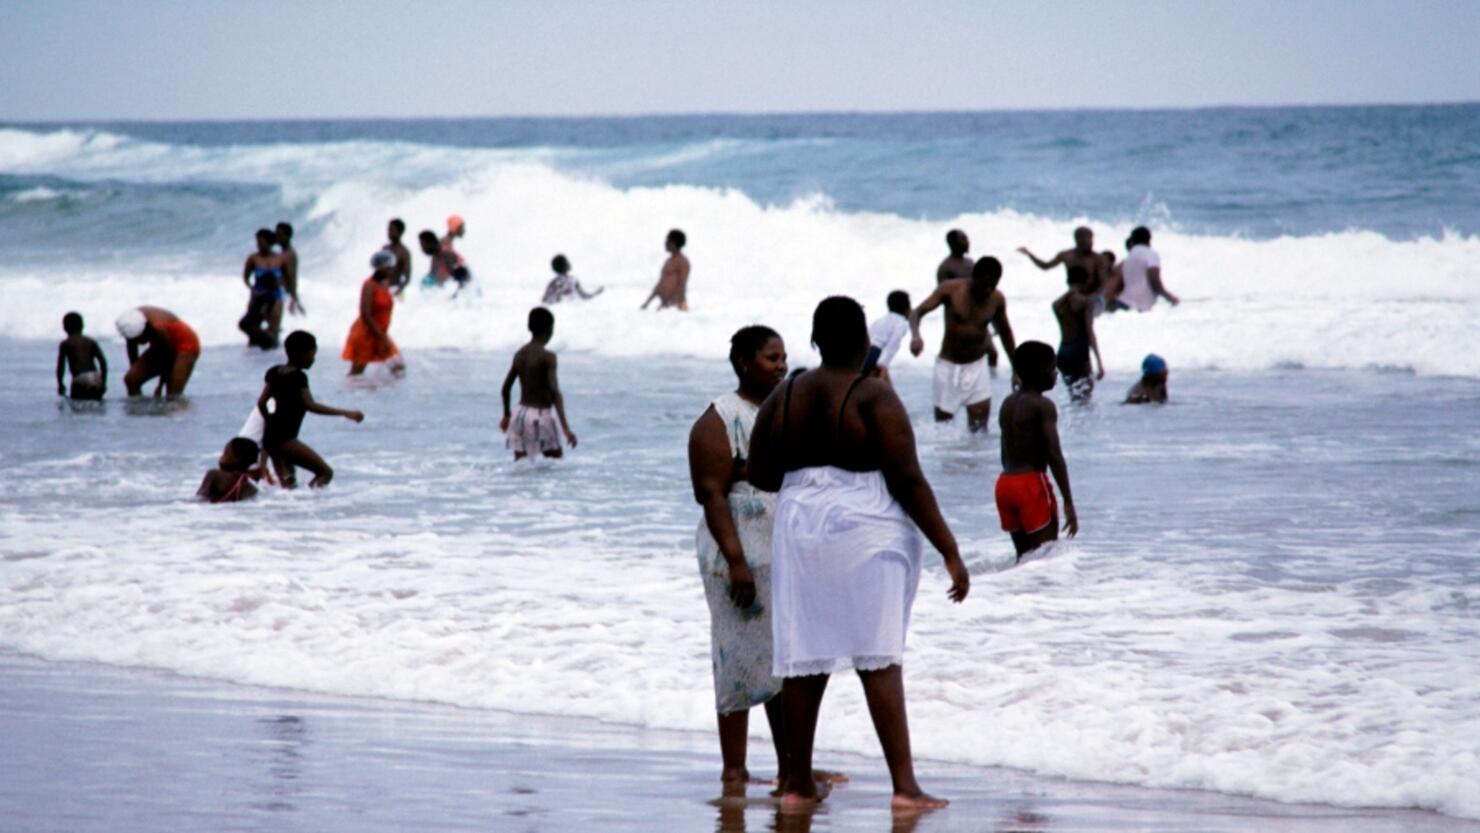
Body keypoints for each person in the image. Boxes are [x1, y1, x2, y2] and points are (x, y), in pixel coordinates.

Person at [748, 296, 970, 811]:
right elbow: (908, 479)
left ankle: (798, 786)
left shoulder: (782, 396)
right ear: (862, 342)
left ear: (815, 339)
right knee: (878, 656)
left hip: (800, 526)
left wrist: (809, 478)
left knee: (804, 658)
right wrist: (950, 550)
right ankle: (905, 788)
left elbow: (760, 475)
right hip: (865, 526)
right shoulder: (873, 396)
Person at [687, 325, 790, 785]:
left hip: (778, 553)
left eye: (784, 357)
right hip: (738, 557)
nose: (781, 365)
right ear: (745, 362)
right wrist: (736, 562)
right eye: (772, 357)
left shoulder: (784, 410)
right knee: (735, 657)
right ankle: (735, 769)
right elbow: (711, 495)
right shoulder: (719, 418)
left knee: (779, 660)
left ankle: (792, 767)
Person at [908, 257, 1018, 432]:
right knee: (944, 430)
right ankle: (948, 460)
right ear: (974, 277)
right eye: (986, 284)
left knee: (980, 430)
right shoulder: (951, 290)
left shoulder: (997, 299)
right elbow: (917, 313)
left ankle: (974, 460)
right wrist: (916, 337)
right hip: (948, 367)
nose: (989, 290)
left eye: (994, 285)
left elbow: (1005, 332)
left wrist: (1016, 369)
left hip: (977, 367)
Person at [996, 341, 1078, 559]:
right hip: (1030, 485)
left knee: (1024, 558)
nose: (1056, 373)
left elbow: (1004, 451)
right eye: (1053, 368)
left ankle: (1010, 594)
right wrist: (1068, 501)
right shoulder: (1042, 405)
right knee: (1045, 560)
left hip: (1005, 485)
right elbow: (1054, 455)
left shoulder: (1007, 403)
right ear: (1039, 372)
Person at [259, 330, 364, 488]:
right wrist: (345, 413)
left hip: (271, 440)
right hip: (285, 440)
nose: (313, 360)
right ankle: (311, 504)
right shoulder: (299, 377)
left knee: (289, 485)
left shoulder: (274, 372)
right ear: (301, 353)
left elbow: (262, 402)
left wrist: (270, 423)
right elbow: (310, 405)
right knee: (325, 473)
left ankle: (294, 509)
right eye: (312, 355)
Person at [500, 307, 578, 460]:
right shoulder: (548, 357)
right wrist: (566, 428)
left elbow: (506, 388)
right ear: (550, 329)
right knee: (555, 464)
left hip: (519, 415)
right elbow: (554, 392)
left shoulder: (520, 354)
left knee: (521, 468)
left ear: (530, 327)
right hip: (541, 416)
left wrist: (506, 414)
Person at [936, 229, 998, 366]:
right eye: (963, 239)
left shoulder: (970, 263)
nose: (967, 242)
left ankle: (992, 384)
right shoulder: (946, 267)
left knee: (992, 353)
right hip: (959, 320)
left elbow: (985, 293)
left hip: (979, 315)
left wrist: (994, 321)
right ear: (952, 243)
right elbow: (943, 297)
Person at [342, 251, 404, 376]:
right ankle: (348, 394)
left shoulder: (385, 283)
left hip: (380, 332)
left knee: (399, 368)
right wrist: (381, 337)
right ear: (379, 268)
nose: (391, 271)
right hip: (366, 333)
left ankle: (386, 394)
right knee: (356, 372)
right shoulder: (369, 285)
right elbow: (365, 314)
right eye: (389, 268)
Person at [116, 306, 199, 397]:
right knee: (131, 380)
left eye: (139, 339)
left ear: (145, 330)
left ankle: (178, 409)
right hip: (161, 346)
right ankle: (138, 409)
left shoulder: (158, 329)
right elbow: (133, 356)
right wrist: (134, 370)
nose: (138, 343)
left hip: (185, 344)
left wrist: (160, 385)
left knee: (173, 392)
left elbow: (168, 359)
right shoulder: (130, 321)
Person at [1051, 266, 1105, 402]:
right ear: (1085, 281)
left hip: (1063, 351)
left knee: (1073, 396)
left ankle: (1072, 422)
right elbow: (1089, 331)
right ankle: (1084, 423)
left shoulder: (1057, 304)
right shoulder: (1085, 302)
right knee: (1085, 396)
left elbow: (1058, 305)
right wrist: (1099, 362)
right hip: (1079, 349)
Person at [1017, 226, 1109, 302]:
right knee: (1057, 306)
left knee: (1080, 310)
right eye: (1084, 240)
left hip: (1095, 298)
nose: (1089, 243)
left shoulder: (1098, 259)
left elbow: (1103, 284)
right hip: (1074, 296)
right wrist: (1030, 255)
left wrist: (1087, 298)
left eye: (1090, 239)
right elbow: (1045, 266)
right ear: (1077, 240)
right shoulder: (1066, 255)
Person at [240, 228, 289, 349]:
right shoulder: (253, 258)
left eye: (261, 242)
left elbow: (286, 278)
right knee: (252, 327)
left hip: (275, 295)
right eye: (257, 242)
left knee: (274, 328)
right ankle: (255, 353)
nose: (258, 245)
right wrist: (252, 288)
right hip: (258, 295)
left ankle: (272, 350)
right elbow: (246, 277)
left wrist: (282, 285)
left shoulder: (280, 258)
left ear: (269, 242)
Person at [1118, 226, 1179, 311]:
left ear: (1133, 240)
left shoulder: (1129, 257)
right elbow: (1154, 280)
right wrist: (1170, 297)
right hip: (1139, 306)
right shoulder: (1151, 254)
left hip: (1122, 302)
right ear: (1149, 239)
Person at [56, 312, 106, 400]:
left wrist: (60, 384)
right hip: (96, 377)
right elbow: (103, 362)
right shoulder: (91, 341)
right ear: (82, 325)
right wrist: (104, 381)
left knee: (77, 407)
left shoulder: (66, 343)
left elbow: (61, 367)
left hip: (80, 379)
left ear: (65, 328)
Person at [863, 290, 911, 384]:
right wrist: (882, 366)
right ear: (907, 308)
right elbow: (892, 345)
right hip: (875, 355)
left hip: (862, 354)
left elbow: (867, 336)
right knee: (882, 389)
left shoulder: (880, 320)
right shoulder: (902, 323)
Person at [197, 437, 263, 503]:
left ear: (237, 459)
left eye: (225, 453)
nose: (221, 457)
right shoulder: (251, 489)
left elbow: (200, 499)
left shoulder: (214, 474)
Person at [641, 229, 690, 311]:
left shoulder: (683, 262)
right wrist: (647, 303)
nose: (665, 244)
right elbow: (660, 284)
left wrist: (679, 303)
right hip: (665, 304)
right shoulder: (668, 261)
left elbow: (682, 284)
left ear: (674, 243)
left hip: (676, 305)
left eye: (668, 241)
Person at [274, 222, 305, 317]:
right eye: (276, 234)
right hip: (281, 294)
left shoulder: (289, 255)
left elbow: (291, 277)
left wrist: (294, 298)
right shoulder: (283, 253)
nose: (277, 237)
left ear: (288, 236)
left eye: (280, 235)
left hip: (285, 295)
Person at [385, 218, 413, 296]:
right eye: (388, 230)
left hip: (396, 289)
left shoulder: (404, 252)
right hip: (383, 289)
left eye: (392, 230)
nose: (389, 232)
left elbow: (407, 277)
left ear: (399, 232)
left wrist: (398, 291)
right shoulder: (384, 249)